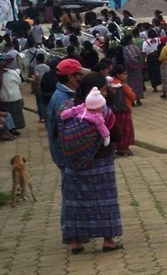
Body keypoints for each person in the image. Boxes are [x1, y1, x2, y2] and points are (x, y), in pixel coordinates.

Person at [60, 73, 124, 254]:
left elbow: (59, 131)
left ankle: (75, 242)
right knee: (104, 201)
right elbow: (118, 136)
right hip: (101, 162)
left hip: (73, 163)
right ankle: (108, 241)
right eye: (104, 90)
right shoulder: (103, 111)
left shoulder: (69, 107)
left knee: (76, 201)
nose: (106, 93)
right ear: (94, 91)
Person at [46, 57, 86, 246]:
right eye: (79, 75)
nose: (81, 78)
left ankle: (73, 230)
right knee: (71, 193)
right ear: (71, 77)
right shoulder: (63, 99)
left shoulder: (65, 94)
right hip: (66, 153)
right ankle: (69, 232)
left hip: (65, 152)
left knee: (72, 191)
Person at [0, 55, 26, 131]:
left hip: (3, 99)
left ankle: (10, 129)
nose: (11, 64)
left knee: (8, 116)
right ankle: (13, 129)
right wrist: (17, 72)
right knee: (15, 116)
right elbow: (19, 81)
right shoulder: (12, 73)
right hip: (13, 98)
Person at [120, 34, 144, 106]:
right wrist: (139, 65)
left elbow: (126, 60)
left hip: (129, 69)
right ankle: (138, 99)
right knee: (138, 84)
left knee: (130, 84)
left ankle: (132, 100)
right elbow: (140, 56)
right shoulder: (136, 47)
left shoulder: (124, 49)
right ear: (130, 40)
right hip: (137, 69)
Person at [32, 53, 51, 123]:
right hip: (47, 87)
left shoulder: (36, 67)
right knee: (47, 102)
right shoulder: (48, 67)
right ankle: (47, 116)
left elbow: (37, 77)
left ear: (37, 60)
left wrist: (36, 87)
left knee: (39, 102)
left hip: (39, 86)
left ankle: (42, 117)